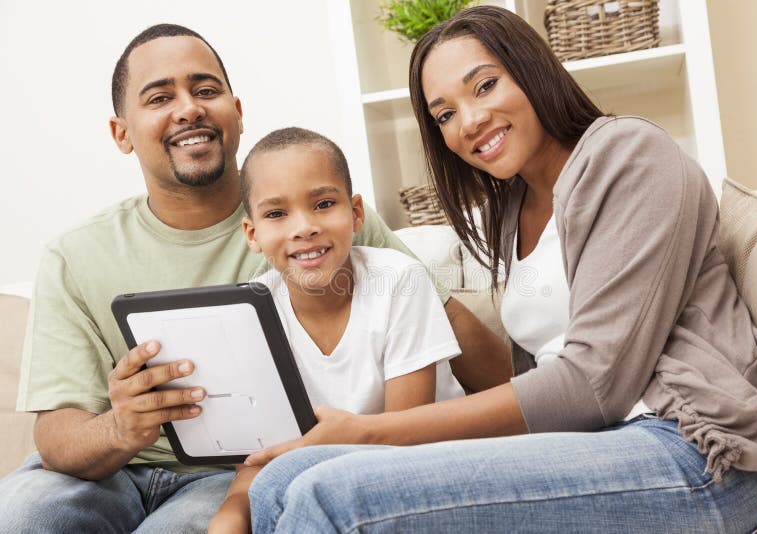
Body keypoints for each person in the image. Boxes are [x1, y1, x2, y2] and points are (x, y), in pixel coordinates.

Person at [244, 6, 757, 533]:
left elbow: (595, 385)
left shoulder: (629, 155)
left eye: (484, 86)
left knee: (330, 496)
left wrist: (372, 433)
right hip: (588, 445)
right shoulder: (513, 206)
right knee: (280, 479)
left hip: (690, 452)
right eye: (445, 114)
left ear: (531, 70)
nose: (469, 122)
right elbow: (533, 380)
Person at [0, 23, 508, 534]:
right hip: (107, 474)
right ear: (121, 133)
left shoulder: (331, 234)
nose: (189, 108)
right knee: (22, 515)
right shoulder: (74, 256)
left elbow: (448, 341)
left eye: (205, 90)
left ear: (237, 113)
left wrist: (541, 402)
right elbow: (57, 439)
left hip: (226, 474)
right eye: (159, 97)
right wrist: (120, 424)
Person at [208, 127, 465, 532]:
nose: (303, 227)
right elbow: (258, 461)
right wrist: (229, 516)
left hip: (417, 469)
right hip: (318, 482)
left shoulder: (399, 280)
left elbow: (404, 440)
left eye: (324, 203)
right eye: (277, 213)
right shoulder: (251, 313)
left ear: (356, 212)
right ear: (252, 234)